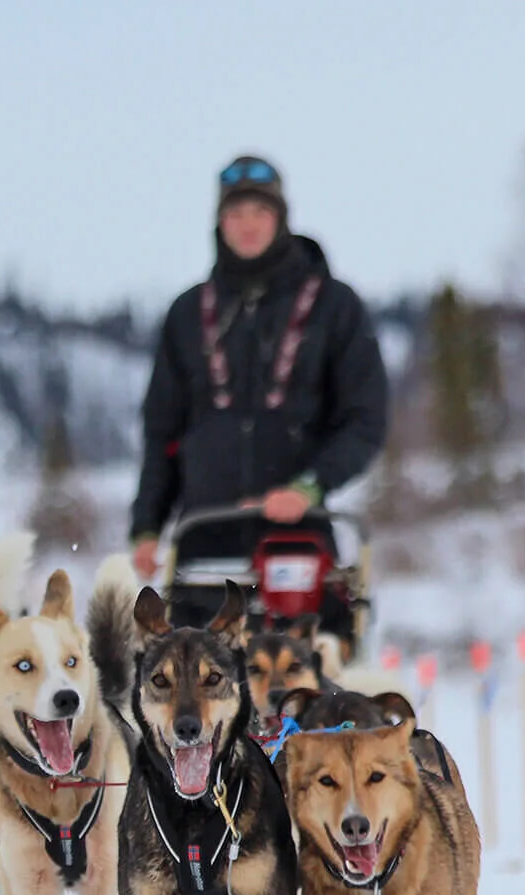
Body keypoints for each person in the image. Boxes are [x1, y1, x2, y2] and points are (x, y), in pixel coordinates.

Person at [129, 154, 388, 632]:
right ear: (218, 222)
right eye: (235, 213)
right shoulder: (187, 315)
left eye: (260, 213)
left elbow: (366, 420)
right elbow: (161, 433)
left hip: (300, 545)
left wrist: (309, 485)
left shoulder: (335, 306)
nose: (247, 225)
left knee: (302, 697)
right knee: (202, 700)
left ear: (281, 218)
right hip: (203, 546)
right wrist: (146, 526)